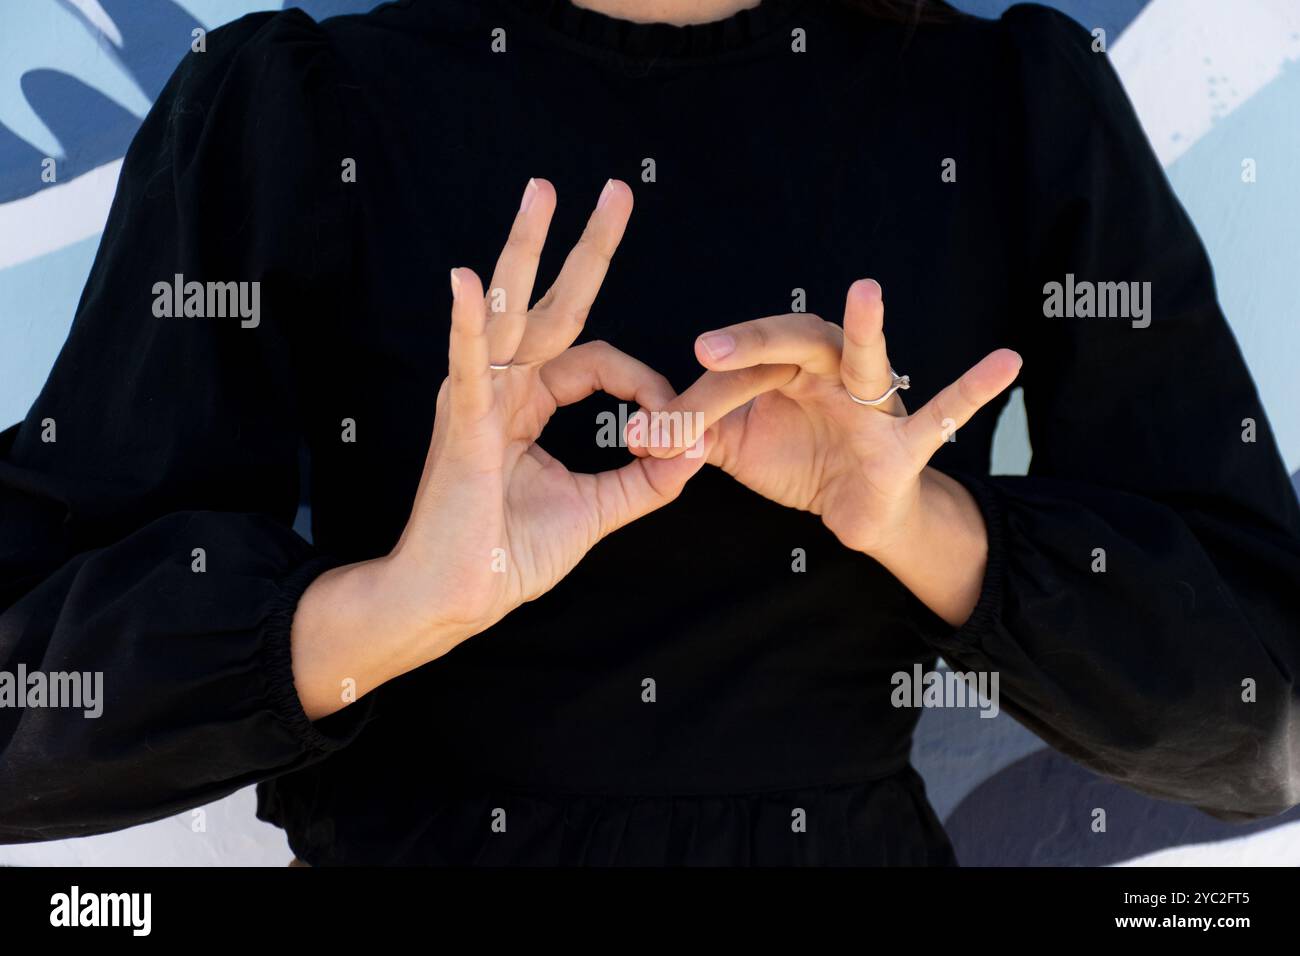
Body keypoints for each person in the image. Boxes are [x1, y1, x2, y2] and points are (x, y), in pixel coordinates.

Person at [1, 0, 1297, 865]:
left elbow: (1266, 719)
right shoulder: (298, 107)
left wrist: (924, 526)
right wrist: (388, 609)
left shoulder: (1012, 107)